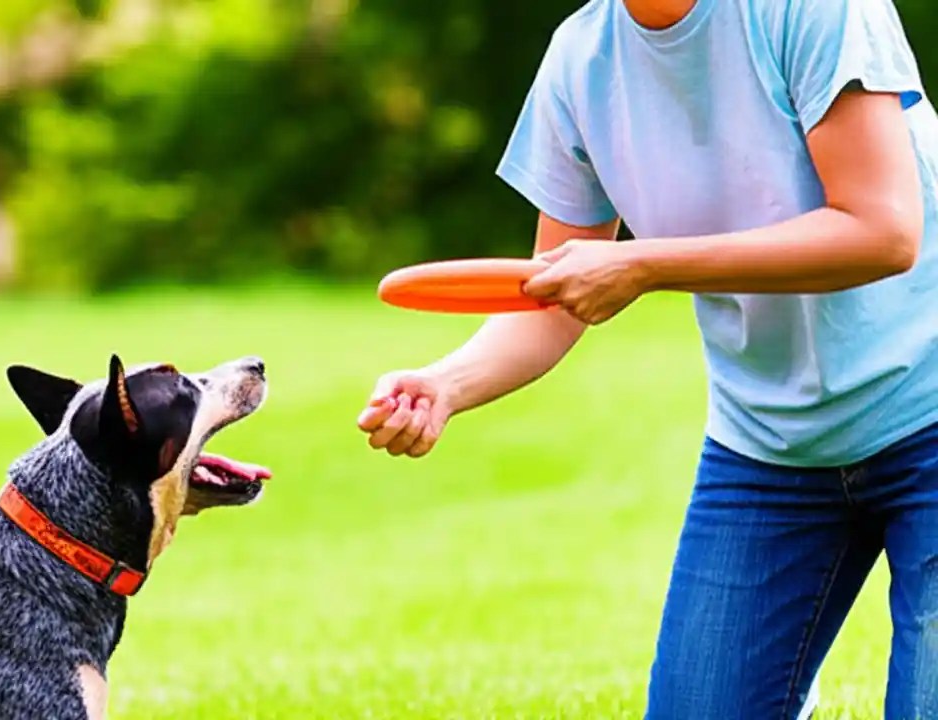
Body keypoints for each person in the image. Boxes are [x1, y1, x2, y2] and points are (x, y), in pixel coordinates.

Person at [356, 0, 938, 717]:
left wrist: (646, 263)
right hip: (772, 447)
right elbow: (561, 293)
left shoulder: (812, 11)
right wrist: (445, 385)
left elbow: (883, 230)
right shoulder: (581, 59)